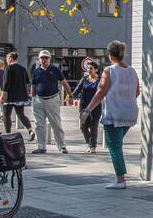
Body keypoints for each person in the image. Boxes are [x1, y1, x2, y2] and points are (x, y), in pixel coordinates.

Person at [84, 41, 139, 189]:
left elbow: (100, 92)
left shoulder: (109, 70)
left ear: (110, 55)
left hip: (114, 113)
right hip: (129, 114)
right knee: (117, 144)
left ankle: (120, 180)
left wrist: (87, 110)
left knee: (114, 146)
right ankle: (120, 178)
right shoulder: (132, 71)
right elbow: (137, 92)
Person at [30, 50, 71, 154]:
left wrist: (70, 95)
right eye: (42, 58)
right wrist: (33, 99)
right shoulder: (36, 71)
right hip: (38, 101)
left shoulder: (55, 69)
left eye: (46, 58)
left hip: (52, 100)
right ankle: (41, 147)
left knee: (56, 124)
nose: (44, 60)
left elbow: (64, 83)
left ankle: (62, 146)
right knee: (39, 125)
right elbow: (33, 86)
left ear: (49, 59)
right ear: (39, 59)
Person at [0, 50, 34, 139]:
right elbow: (27, 81)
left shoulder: (8, 68)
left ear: (11, 58)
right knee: (21, 115)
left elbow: (6, 82)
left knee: (6, 115)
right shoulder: (22, 68)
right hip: (21, 96)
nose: (7, 60)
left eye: (7, 58)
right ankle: (30, 130)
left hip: (10, 96)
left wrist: (3, 94)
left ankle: (8, 134)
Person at [77, 60, 102, 153]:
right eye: (88, 68)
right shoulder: (84, 79)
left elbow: (103, 92)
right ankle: (88, 143)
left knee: (93, 126)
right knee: (83, 126)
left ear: (96, 69)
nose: (89, 70)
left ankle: (93, 146)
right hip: (84, 107)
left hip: (96, 107)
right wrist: (70, 96)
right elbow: (77, 89)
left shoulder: (100, 81)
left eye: (91, 68)